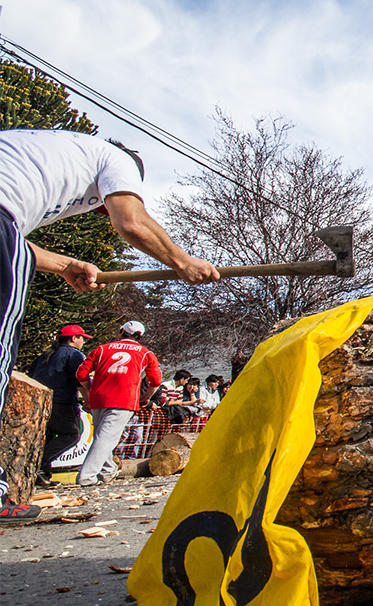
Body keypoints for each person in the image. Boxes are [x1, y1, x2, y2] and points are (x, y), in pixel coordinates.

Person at [0, 130, 219, 515]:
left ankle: (92, 473)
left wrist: (67, 265)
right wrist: (181, 260)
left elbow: (18, 242)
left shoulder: (35, 156)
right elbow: (131, 222)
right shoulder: (116, 159)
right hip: (118, 399)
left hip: (99, 398)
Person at [74, 321, 162, 486]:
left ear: (121, 331)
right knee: (105, 438)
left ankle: (108, 470)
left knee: (102, 436)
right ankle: (87, 476)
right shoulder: (145, 353)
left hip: (99, 398)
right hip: (124, 399)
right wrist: (146, 397)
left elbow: (81, 373)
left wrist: (87, 393)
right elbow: (156, 380)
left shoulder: (101, 349)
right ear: (140, 336)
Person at [28, 325, 92, 487]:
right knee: (71, 435)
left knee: (47, 436)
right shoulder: (74, 355)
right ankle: (38, 463)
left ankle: (42, 474)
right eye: (82, 338)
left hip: (40, 400)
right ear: (73, 339)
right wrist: (87, 398)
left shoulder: (44, 355)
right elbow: (79, 378)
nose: (83, 341)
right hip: (62, 400)